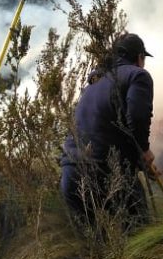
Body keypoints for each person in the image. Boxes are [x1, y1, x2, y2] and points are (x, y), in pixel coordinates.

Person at [60, 32, 156, 232]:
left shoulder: (93, 85)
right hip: (105, 169)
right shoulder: (137, 75)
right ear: (139, 57)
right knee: (139, 237)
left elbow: (102, 129)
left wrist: (138, 162)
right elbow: (137, 118)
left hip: (71, 174)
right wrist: (144, 151)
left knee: (94, 245)